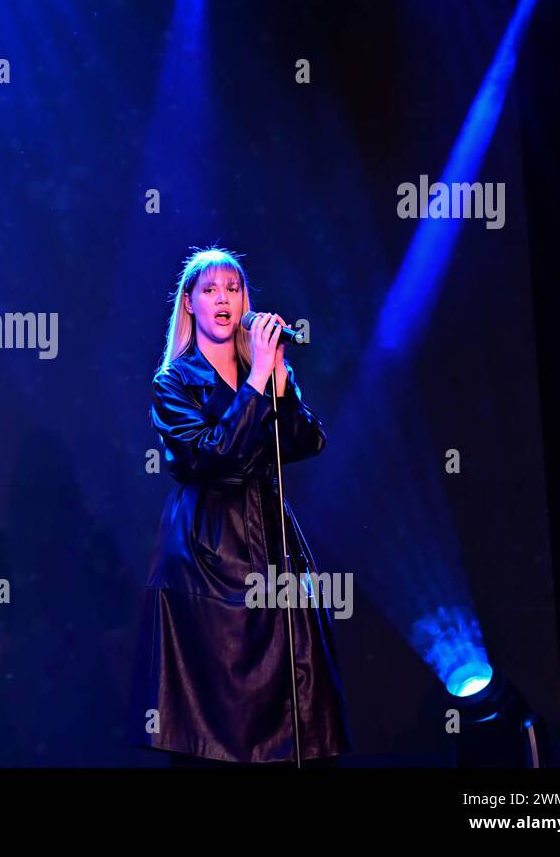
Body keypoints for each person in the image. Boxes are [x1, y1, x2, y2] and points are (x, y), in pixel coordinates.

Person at [129, 247, 351, 766]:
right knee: (223, 717)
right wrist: (254, 389)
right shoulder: (173, 383)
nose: (223, 299)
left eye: (233, 289)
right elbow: (212, 456)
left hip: (273, 543)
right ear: (190, 305)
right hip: (208, 553)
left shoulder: (263, 370)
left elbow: (307, 442)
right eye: (210, 289)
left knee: (298, 704)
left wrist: (279, 385)